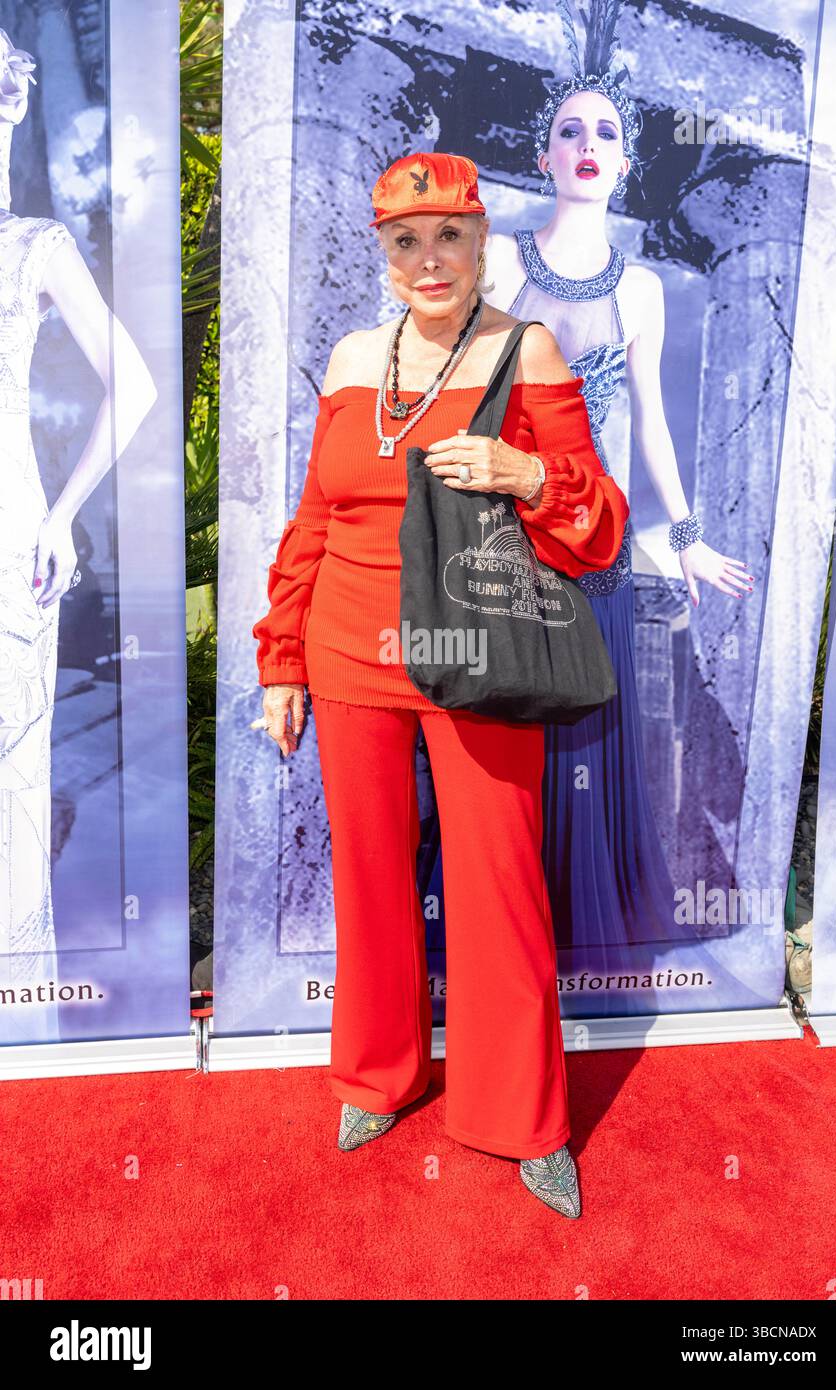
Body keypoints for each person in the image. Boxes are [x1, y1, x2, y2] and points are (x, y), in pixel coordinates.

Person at [252, 151, 629, 1218]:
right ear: (383, 251)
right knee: (369, 874)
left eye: (448, 237)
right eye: (405, 241)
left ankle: (521, 1116)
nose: (429, 259)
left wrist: (524, 474)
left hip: (476, 649)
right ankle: (378, 1075)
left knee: (496, 883)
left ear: (480, 244)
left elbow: (596, 525)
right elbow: (315, 519)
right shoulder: (349, 356)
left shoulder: (528, 346)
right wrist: (282, 657)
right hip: (345, 651)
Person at [476, 3, 756, 965]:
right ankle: (499, 932)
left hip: (595, 542)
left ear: (625, 162)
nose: (588, 145)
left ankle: (574, 926)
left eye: (607, 133)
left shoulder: (641, 290)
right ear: (542, 153)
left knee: (587, 748)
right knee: (506, 745)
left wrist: (685, 539)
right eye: (570, 130)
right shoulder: (502, 262)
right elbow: (466, 396)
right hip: (501, 537)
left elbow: (654, 431)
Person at [0, 29, 156, 1032]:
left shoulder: (33, 247)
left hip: (10, 536)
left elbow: (133, 383)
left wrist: (59, 515)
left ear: (13, 104)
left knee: (13, 781)